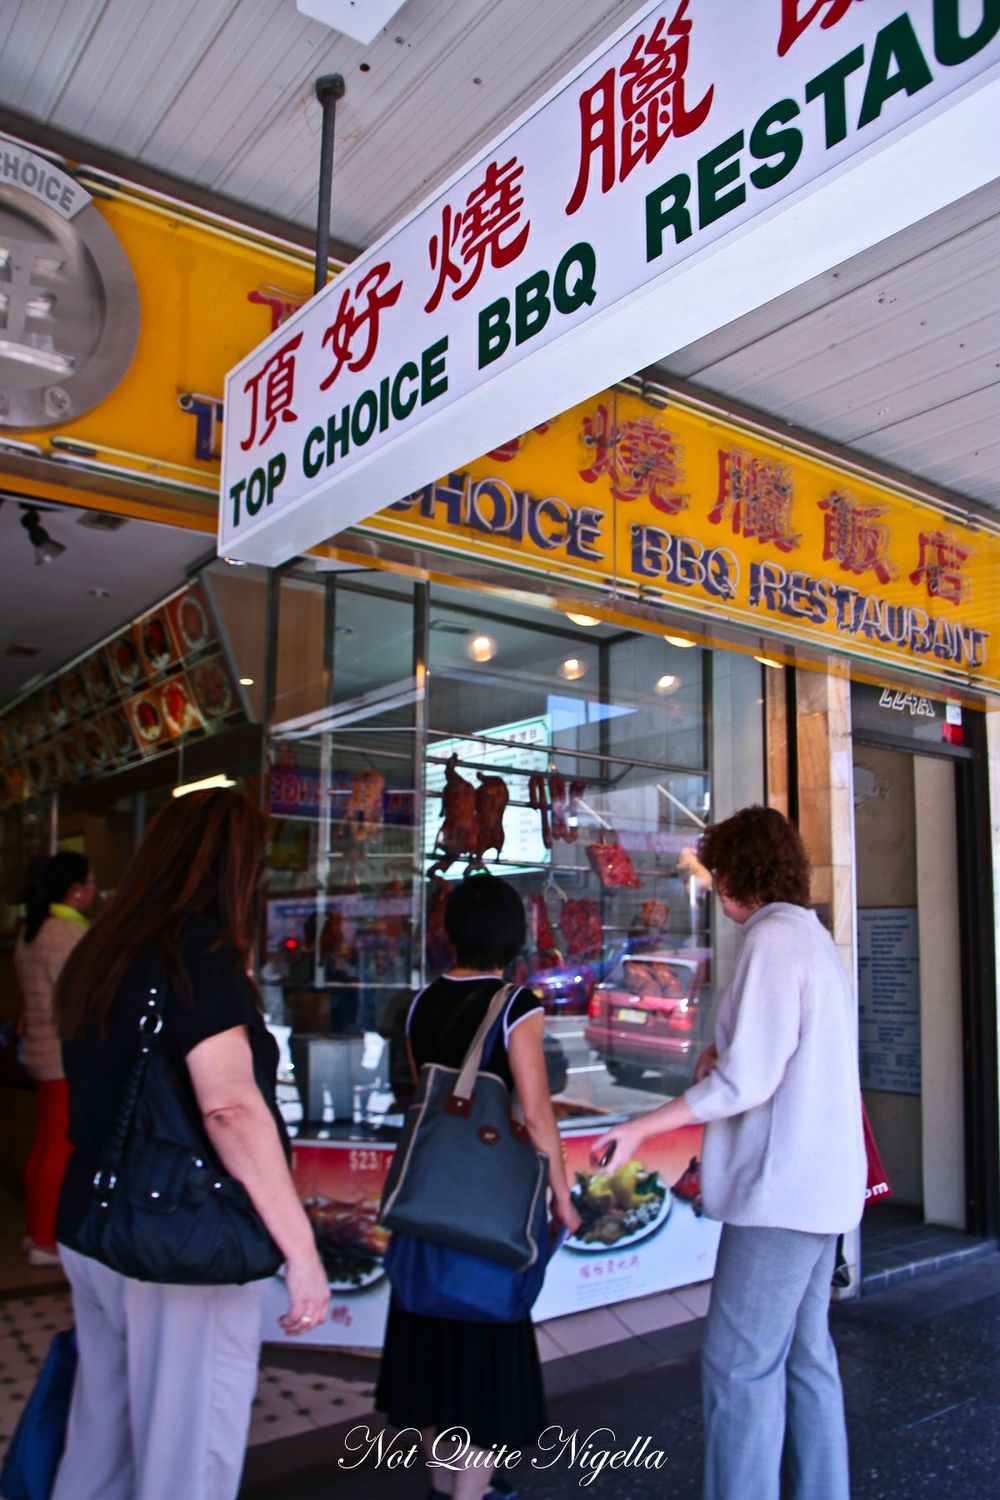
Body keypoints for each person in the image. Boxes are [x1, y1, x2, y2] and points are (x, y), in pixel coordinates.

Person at [52, 789, 330, 1500]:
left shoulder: (101, 951)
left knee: (101, 1441)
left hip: (94, 1222)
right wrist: (301, 1251)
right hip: (179, 1235)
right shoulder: (198, 951)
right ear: (236, 868)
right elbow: (231, 1108)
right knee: (186, 1461)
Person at [593, 806, 865, 1500]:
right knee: (806, 1360)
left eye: (720, 874)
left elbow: (749, 1082)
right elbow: (779, 1061)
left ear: (745, 873)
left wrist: (643, 1127)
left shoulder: (774, 940)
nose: (716, 889)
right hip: (824, 1192)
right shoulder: (810, 938)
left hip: (783, 1196)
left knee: (737, 1370)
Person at [375, 874, 581, 1500]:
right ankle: (471, 1493)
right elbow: (536, 1112)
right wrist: (564, 1194)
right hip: (487, 1212)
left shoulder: (416, 1004)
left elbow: (429, 1104)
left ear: (452, 932)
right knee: (484, 1357)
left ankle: (446, 1485)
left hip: (428, 1203)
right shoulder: (516, 1005)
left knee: (437, 1352)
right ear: (512, 935)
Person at [14, 851, 96, 1268]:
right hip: (63, 1052)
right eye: (92, 881)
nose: (95, 890)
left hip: (39, 1050)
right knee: (59, 1147)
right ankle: (47, 1239)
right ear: (75, 888)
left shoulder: (34, 929)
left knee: (45, 1142)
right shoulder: (65, 933)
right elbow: (79, 994)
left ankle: (36, 1230)